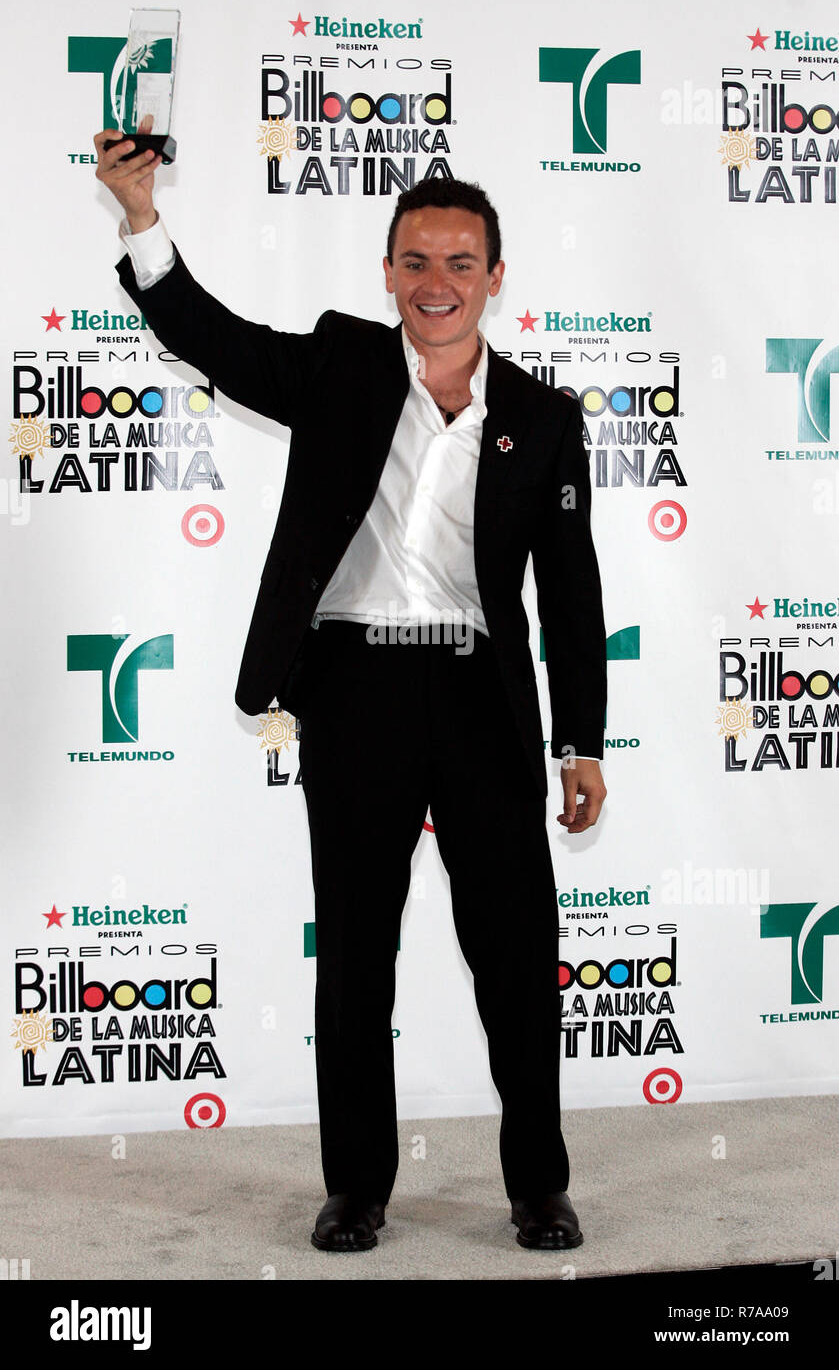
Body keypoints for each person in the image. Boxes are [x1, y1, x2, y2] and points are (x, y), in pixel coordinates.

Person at [93, 119, 608, 1253]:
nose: (436, 283)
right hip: (355, 696)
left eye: (458, 263)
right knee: (357, 955)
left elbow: (569, 594)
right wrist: (140, 216)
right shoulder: (335, 364)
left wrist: (581, 741)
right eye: (414, 261)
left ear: (494, 278)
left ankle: (537, 1186)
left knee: (517, 955)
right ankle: (356, 1188)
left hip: (482, 703)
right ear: (387, 272)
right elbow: (210, 336)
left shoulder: (543, 419)